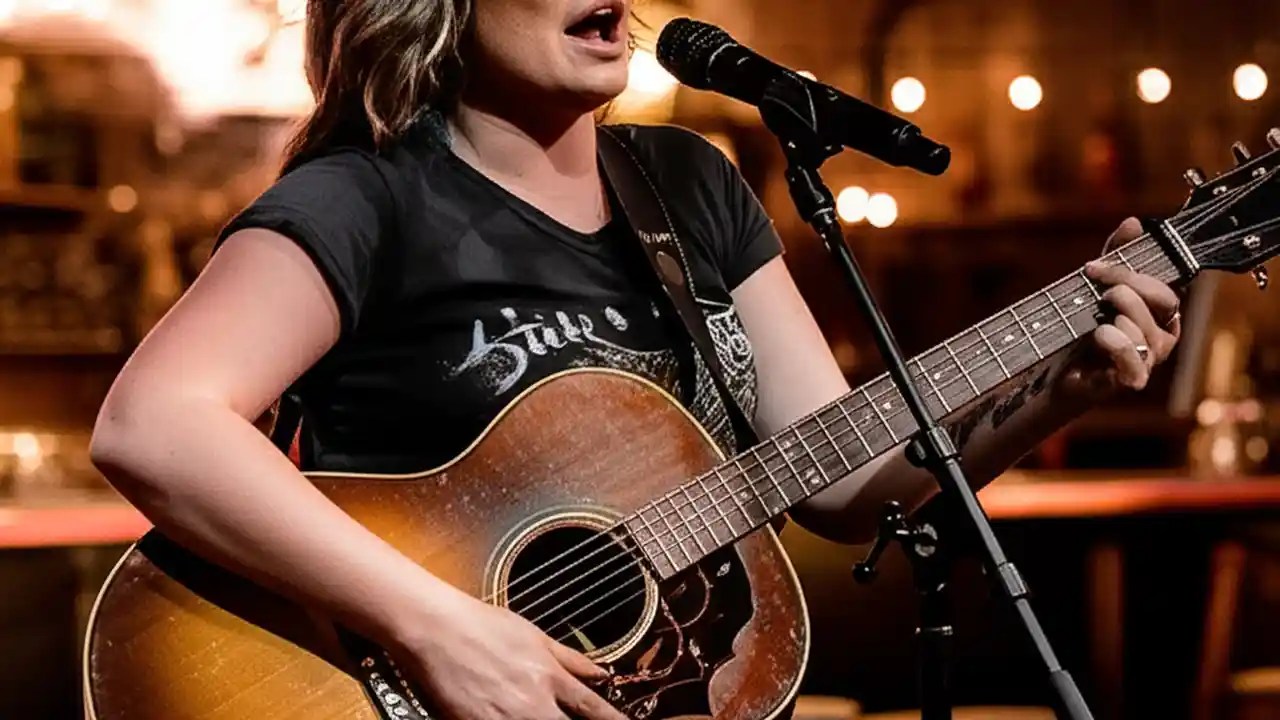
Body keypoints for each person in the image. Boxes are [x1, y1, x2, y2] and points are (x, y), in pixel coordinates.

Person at [88, 1, 1182, 718]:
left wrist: (1061, 384)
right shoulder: (369, 198)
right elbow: (155, 423)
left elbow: (844, 478)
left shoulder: (688, 186)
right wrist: (438, 629)